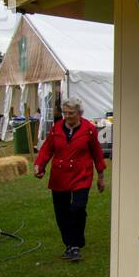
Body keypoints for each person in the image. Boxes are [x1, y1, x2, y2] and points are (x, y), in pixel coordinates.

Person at [33, 97, 106, 261]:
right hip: (59, 176)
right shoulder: (56, 128)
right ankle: (70, 245)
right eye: (65, 113)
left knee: (78, 209)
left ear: (79, 113)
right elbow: (46, 149)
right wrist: (40, 165)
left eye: (71, 113)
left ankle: (76, 243)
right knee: (62, 213)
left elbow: (97, 153)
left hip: (82, 175)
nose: (67, 116)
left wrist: (100, 176)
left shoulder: (89, 129)